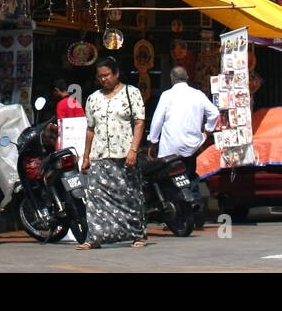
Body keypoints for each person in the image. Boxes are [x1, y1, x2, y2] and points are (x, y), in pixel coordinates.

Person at [76, 56, 147, 250]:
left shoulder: (131, 93)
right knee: (96, 199)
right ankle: (94, 238)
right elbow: (90, 129)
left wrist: (133, 149)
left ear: (116, 74)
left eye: (107, 75)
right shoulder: (93, 98)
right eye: (100, 76)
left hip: (124, 155)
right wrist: (86, 156)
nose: (104, 79)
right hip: (99, 156)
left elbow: (139, 122)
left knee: (129, 196)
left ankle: (137, 235)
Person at [147, 66, 220, 180]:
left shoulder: (167, 95)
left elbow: (157, 120)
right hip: (193, 148)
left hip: (170, 149)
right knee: (191, 181)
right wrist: (208, 129)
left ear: (172, 79)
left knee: (170, 183)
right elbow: (214, 113)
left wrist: (153, 141)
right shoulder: (198, 94)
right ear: (187, 77)